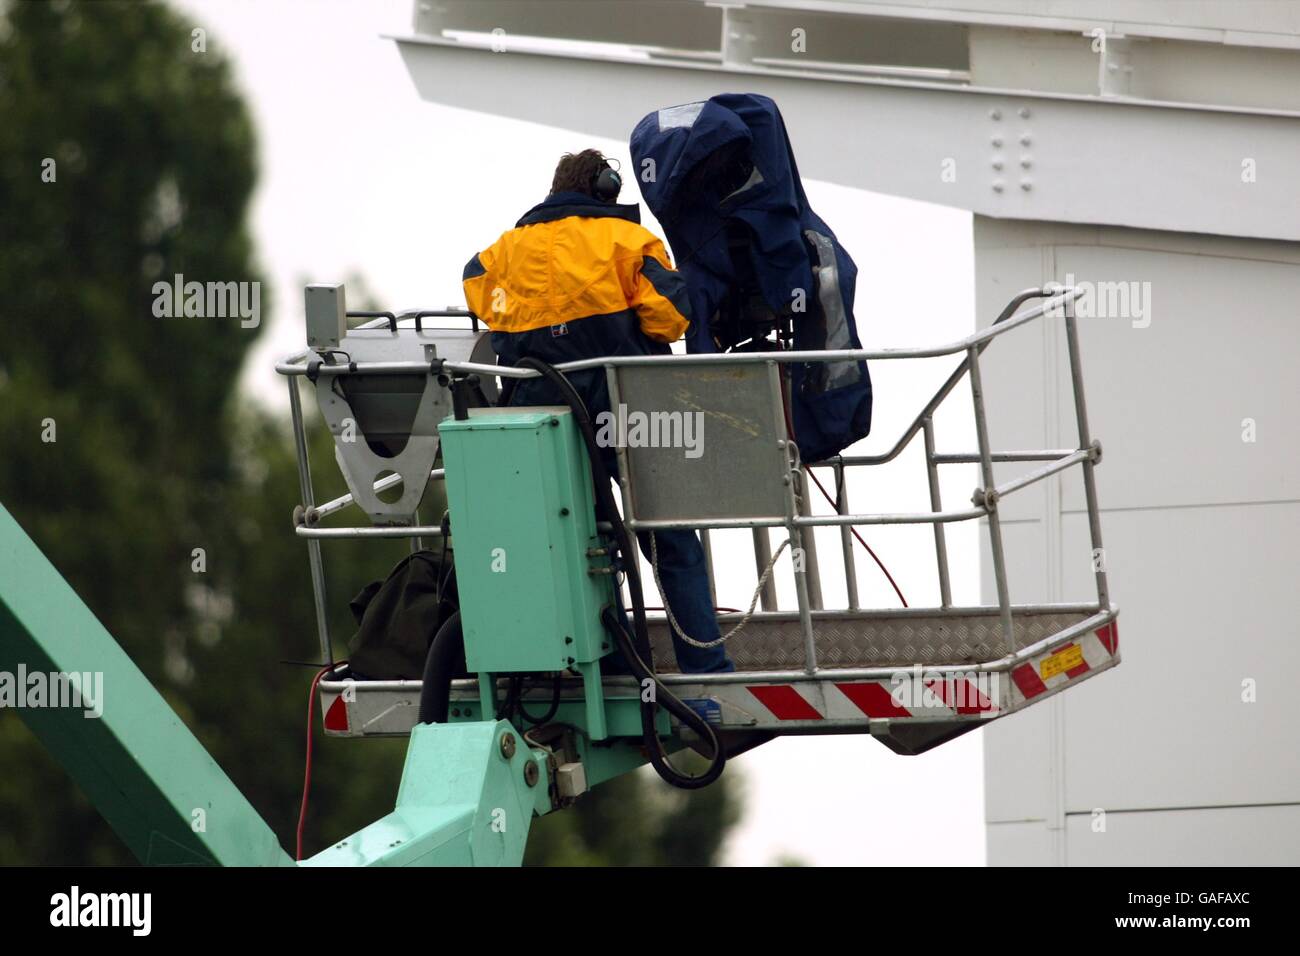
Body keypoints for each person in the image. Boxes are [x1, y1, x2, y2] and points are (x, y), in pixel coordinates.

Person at [462, 149, 733, 674]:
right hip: (627, 403)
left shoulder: (502, 252)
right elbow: (670, 319)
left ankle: (603, 660)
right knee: (668, 534)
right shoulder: (630, 241)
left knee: (572, 532)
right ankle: (704, 664)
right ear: (606, 189)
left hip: (537, 410)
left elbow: (476, 288)